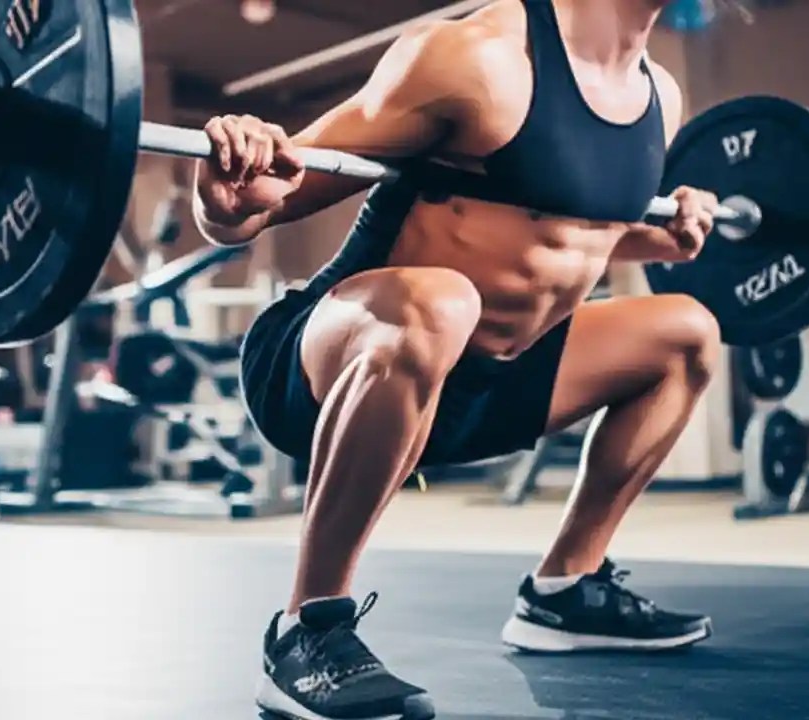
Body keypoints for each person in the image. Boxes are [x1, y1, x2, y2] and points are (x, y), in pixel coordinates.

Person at [194, 1, 726, 718]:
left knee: (687, 330)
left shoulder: (659, 94)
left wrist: (665, 236)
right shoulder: (477, 58)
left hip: (483, 383)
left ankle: (564, 594)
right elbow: (260, 203)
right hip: (329, 363)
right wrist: (226, 191)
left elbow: (568, 223)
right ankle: (305, 634)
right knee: (444, 302)